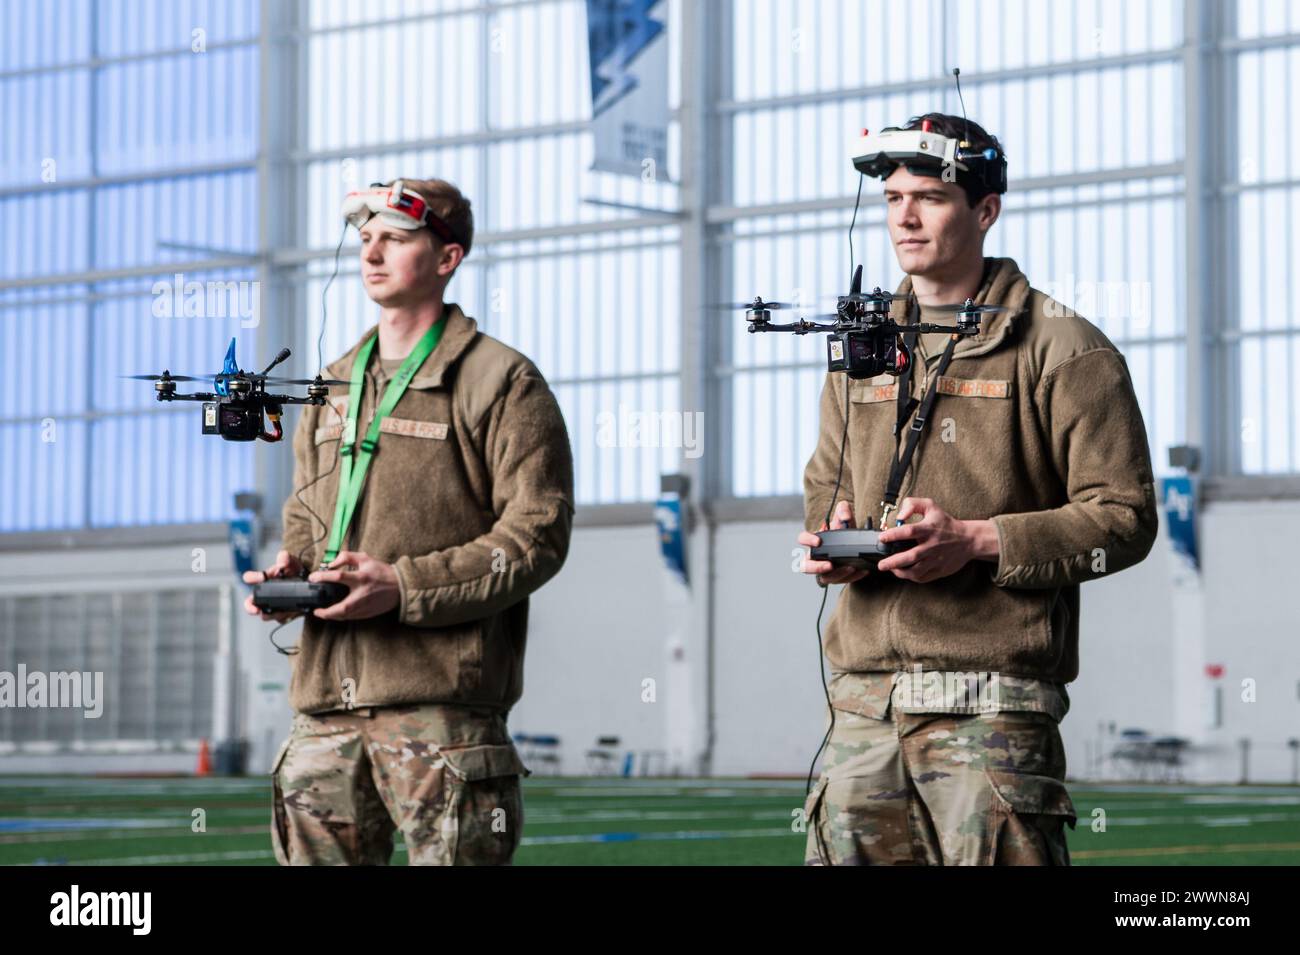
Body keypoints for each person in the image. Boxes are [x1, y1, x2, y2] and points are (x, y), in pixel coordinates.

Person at [797, 115, 1159, 865]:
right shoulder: (859, 349)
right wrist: (836, 541)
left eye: (927, 195)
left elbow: (1124, 517)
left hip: (990, 709)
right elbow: (822, 482)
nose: (903, 215)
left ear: (985, 209)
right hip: (861, 709)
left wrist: (975, 541)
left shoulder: (1066, 347)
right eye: (893, 196)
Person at [243, 178, 574, 865]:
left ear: (447, 257)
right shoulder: (332, 384)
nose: (372, 254)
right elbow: (308, 511)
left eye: (395, 237)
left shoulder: (502, 381)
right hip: (324, 709)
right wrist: (293, 570)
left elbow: (537, 535)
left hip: (441, 713)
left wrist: (403, 583)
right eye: (365, 239)